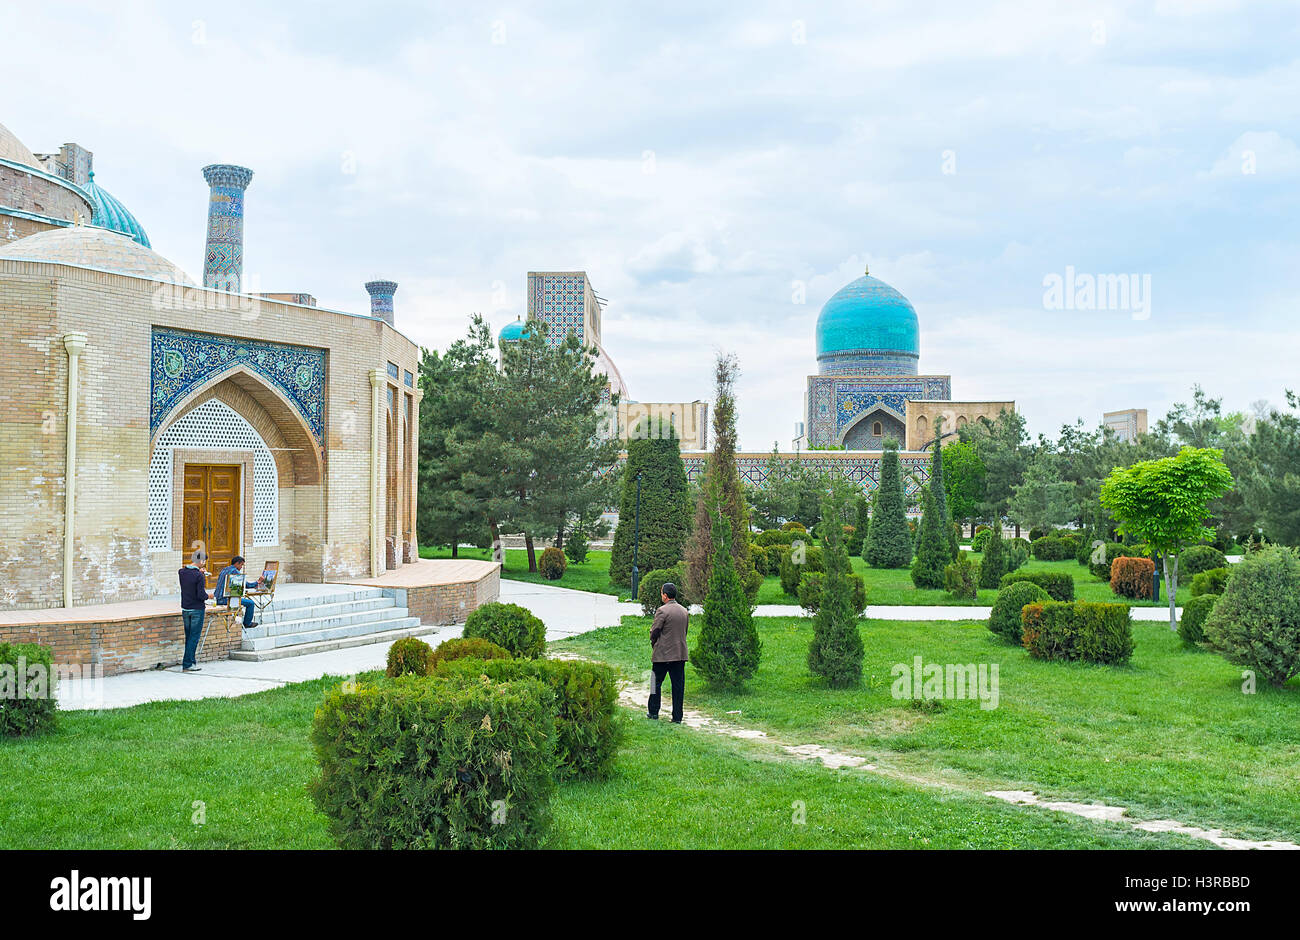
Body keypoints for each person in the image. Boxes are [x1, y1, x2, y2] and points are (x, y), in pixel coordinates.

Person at [648, 582, 689, 723]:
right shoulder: (684, 611)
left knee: (655, 682)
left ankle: (653, 712)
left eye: (661, 593)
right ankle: (677, 717)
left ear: (665, 596)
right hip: (679, 654)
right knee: (678, 686)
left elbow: (655, 631)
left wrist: (654, 643)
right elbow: (685, 632)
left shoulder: (662, 611)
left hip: (662, 655)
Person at [178, 550, 210, 672]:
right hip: (197, 609)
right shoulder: (199, 576)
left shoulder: (181, 572)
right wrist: (209, 597)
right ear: (201, 561)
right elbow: (201, 595)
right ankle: (188, 664)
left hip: (185, 608)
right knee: (194, 637)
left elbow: (189, 576)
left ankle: (189, 662)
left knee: (189, 636)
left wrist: (199, 573)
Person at [214, 556, 261, 629]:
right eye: (241, 565)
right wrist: (257, 582)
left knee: (244, 600)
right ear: (237, 563)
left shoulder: (224, 569)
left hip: (217, 598)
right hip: (225, 599)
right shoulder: (234, 571)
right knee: (250, 603)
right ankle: (247, 623)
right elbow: (246, 584)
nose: (241, 567)